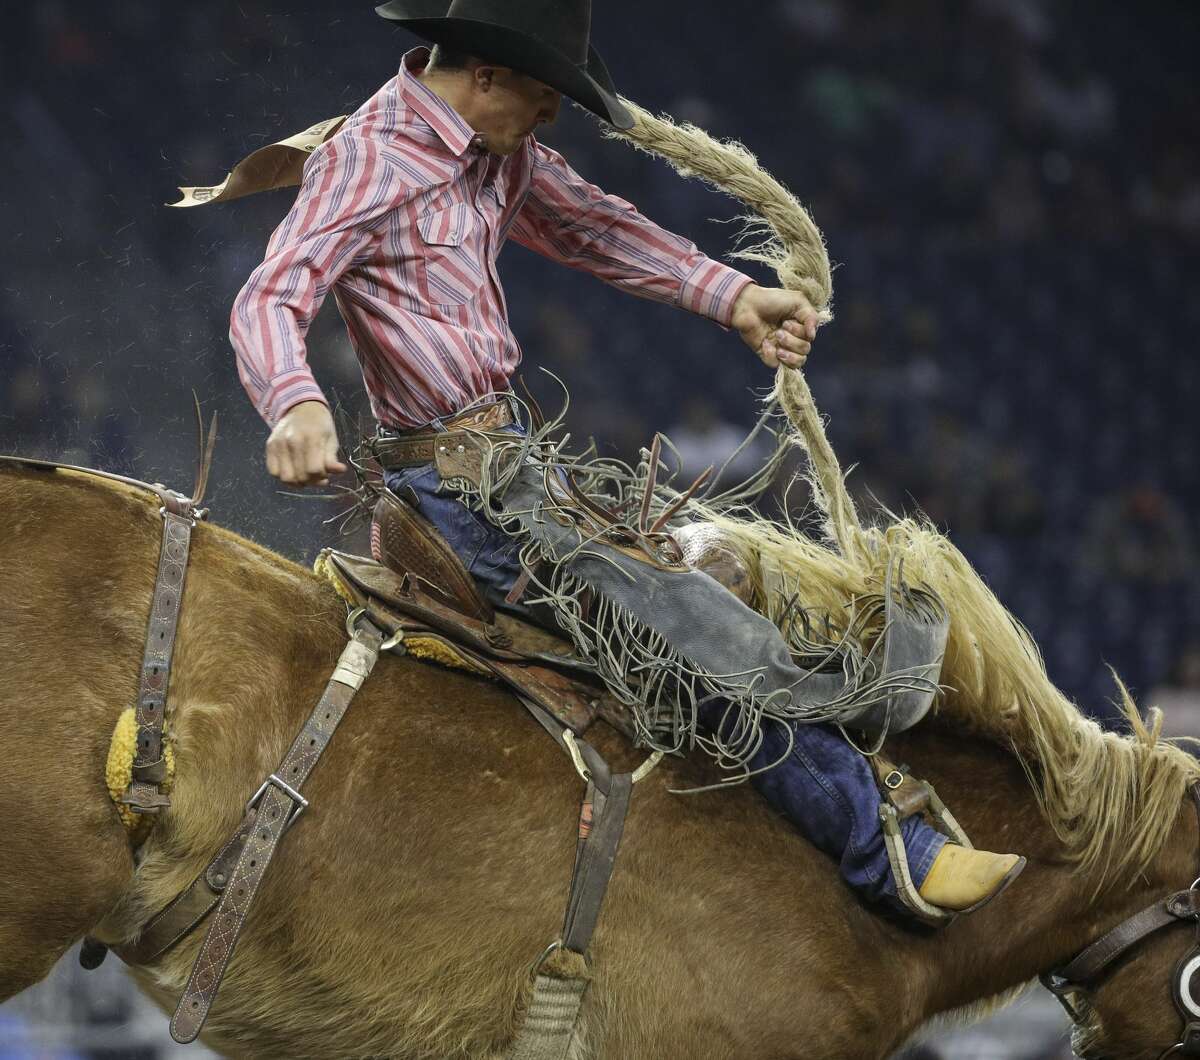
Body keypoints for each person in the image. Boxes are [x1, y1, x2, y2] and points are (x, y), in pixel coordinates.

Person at [229, 0, 1022, 916]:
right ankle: (885, 851)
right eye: (544, 94)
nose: (551, 115)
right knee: (684, 629)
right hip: (453, 493)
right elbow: (271, 295)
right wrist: (296, 402)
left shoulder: (494, 148)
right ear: (486, 75)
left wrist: (733, 297)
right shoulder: (371, 157)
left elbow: (590, 225)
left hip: (506, 472)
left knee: (710, 578)